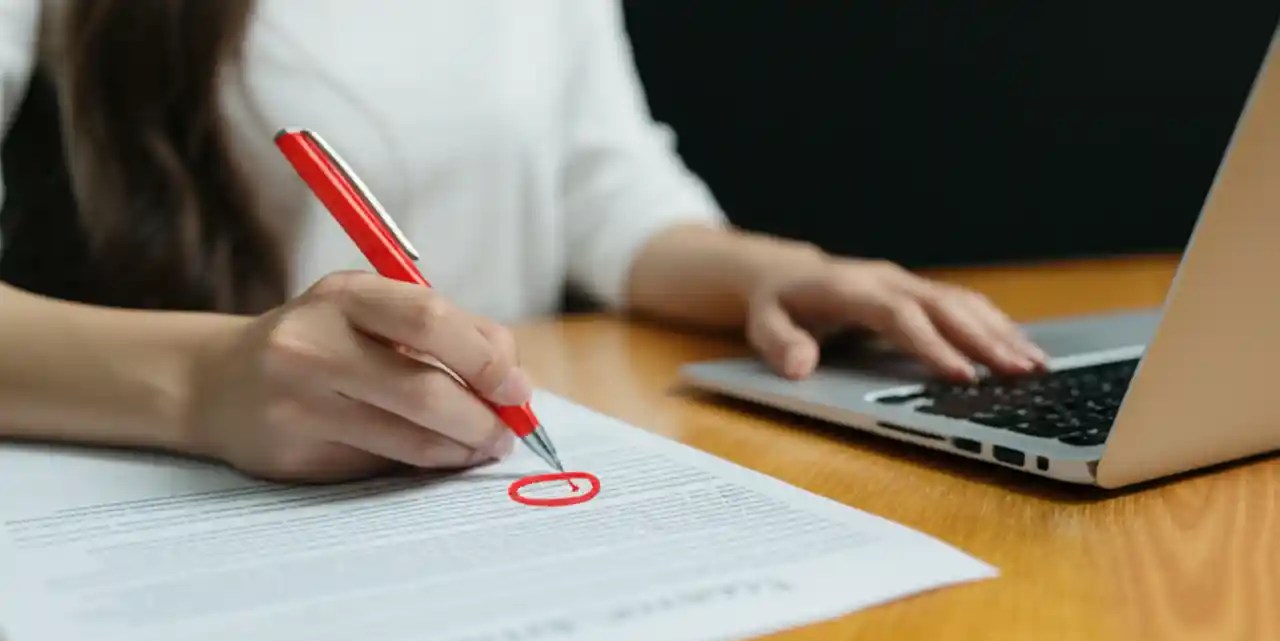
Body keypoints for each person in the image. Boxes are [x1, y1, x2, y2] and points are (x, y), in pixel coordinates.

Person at [0, 1, 1045, 482]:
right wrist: (204, 380)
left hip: (467, 475)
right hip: (236, 495)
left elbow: (605, 193)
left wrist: (774, 272)